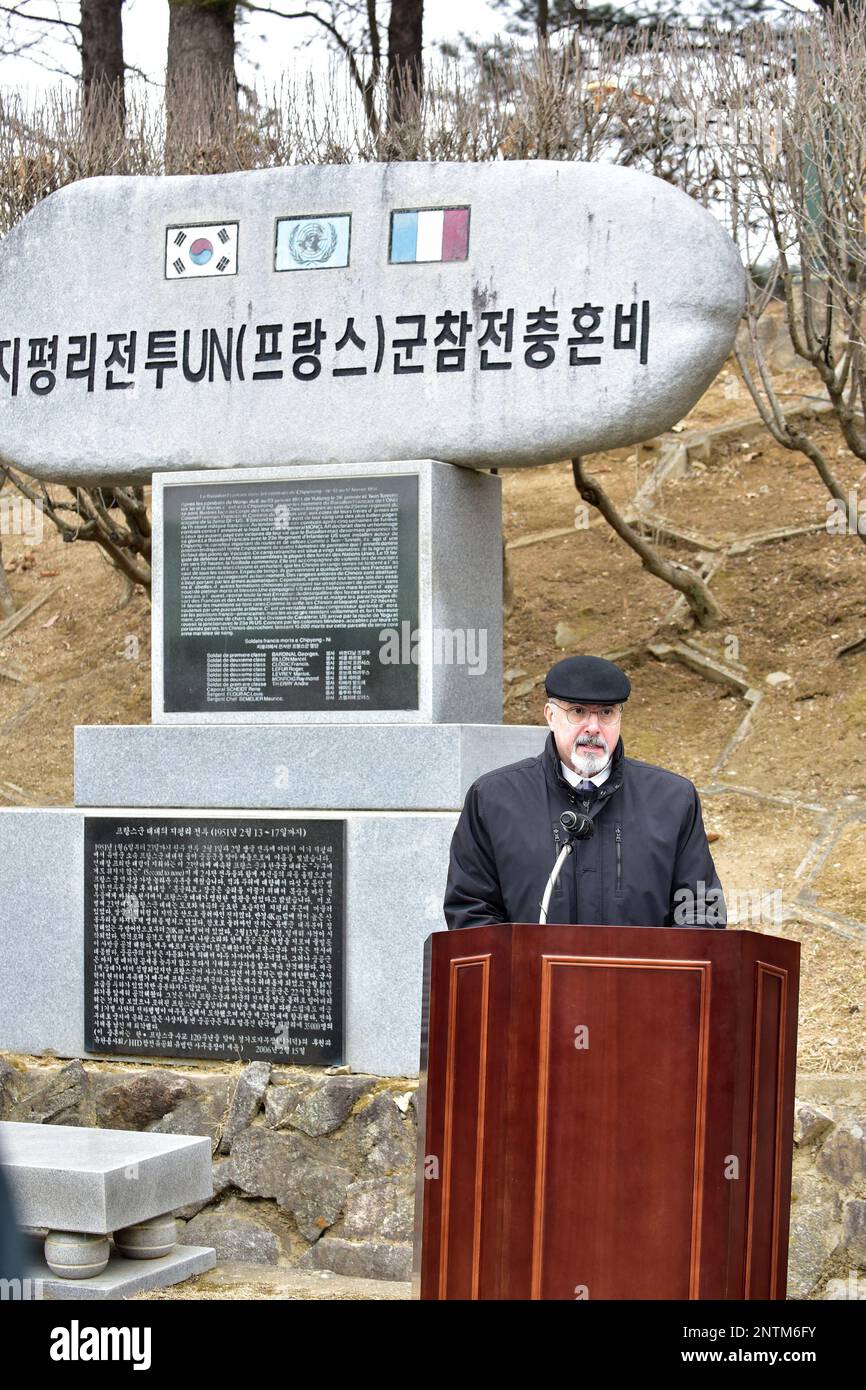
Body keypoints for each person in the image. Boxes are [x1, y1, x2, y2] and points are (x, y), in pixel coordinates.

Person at [444, 653, 726, 930]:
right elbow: (471, 910)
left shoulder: (673, 800)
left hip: (644, 977)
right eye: (578, 711)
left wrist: (657, 974)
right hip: (531, 977)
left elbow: (700, 911)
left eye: (606, 713)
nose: (593, 728)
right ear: (550, 716)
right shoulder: (494, 799)